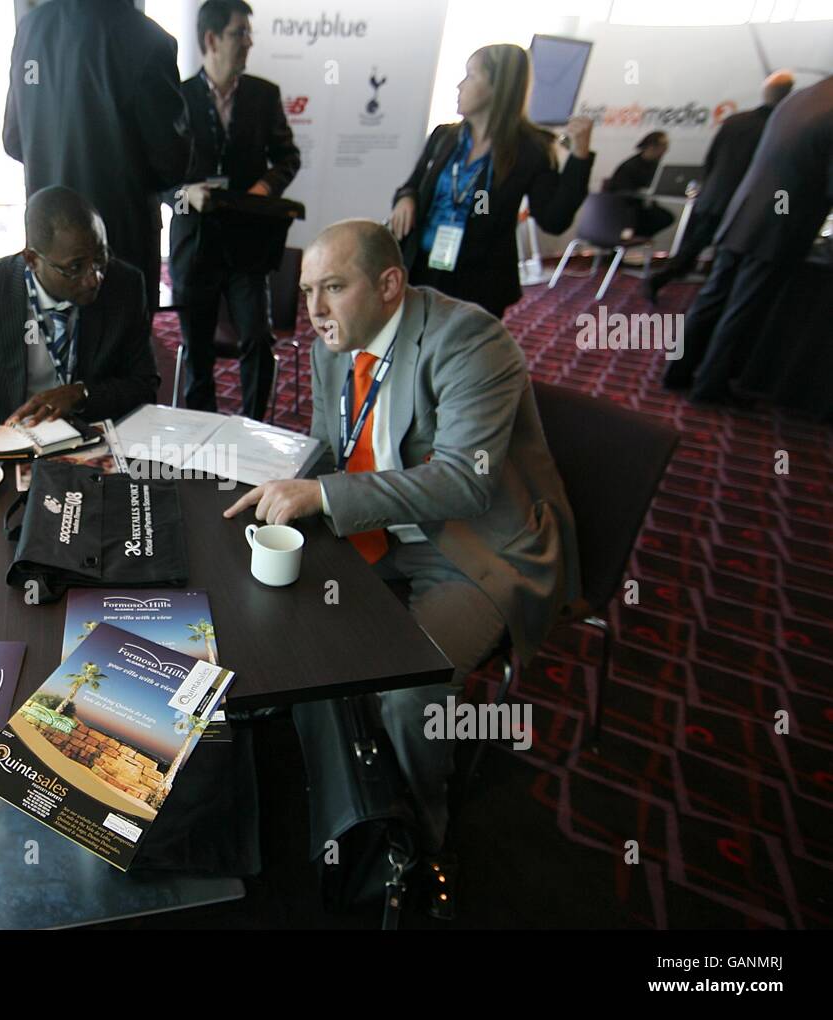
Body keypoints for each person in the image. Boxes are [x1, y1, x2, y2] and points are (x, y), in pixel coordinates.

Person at [222, 218, 580, 868]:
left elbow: (464, 484)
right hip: (383, 527)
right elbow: (334, 445)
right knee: (288, 600)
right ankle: (338, 770)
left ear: (390, 284)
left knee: (409, 685)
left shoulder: (470, 339)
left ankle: (418, 828)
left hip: (477, 550)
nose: (315, 312)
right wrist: (286, 479)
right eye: (306, 292)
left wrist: (325, 498)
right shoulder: (333, 345)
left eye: (333, 287)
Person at [0, 187, 159, 428]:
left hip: (91, 435)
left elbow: (144, 383)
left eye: (101, 259)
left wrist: (81, 395)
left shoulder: (125, 285)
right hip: (6, 437)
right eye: (75, 267)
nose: (94, 278)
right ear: (32, 260)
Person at [3, 0, 192, 309]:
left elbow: (13, 140)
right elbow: (171, 164)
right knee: (122, 351)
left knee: (51, 349)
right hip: (119, 249)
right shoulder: (150, 41)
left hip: (49, 248)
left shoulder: (31, 30)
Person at [388, 44, 594, 320]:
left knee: (460, 359)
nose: (460, 85)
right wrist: (406, 198)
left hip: (478, 284)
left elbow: (553, 220)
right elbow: (411, 185)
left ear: (499, 86)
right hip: (420, 270)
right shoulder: (444, 137)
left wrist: (579, 157)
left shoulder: (531, 150)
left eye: (471, 76)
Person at [664, 76, 833, 405]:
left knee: (712, 298)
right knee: (742, 308)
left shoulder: (803, 97)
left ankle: (678, 371)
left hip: (744, 213)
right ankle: (710, 386)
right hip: (780, 225)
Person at [169, 0, 301, 420]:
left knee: (257, 338)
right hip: (196, 243)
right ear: (211, 39)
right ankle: (201, 427)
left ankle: (252, 426)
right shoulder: (177, 99)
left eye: (248, 33)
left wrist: (265, 186)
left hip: (248, 243)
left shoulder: (265, 95)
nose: (249, 42)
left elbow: (288, 157)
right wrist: (185, 195)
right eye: (239, 33)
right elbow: (156, 182)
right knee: (197, 346)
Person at [644, 72, 795, 304]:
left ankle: (667, 282)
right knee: (727, 257)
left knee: (693, 247)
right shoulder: (780, 127)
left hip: (713, 195)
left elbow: (711, 159)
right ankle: (710, 298)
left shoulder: (735, 121)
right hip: (743, 203)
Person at [603, 131, 675, 238]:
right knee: (661, 218)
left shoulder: (653, 165)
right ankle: (628, 238)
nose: (665, 150)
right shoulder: (630, 166)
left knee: (665, 217)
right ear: (651, 147)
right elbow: (622, 193)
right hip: (624, 209)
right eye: (663, 146)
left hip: (637, 206)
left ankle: (633, 238)